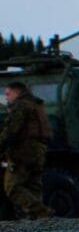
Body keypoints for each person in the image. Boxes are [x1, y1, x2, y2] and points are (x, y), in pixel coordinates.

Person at [0, 80, 53, 221]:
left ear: (17, 93)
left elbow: (10, 131)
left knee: (12, 187)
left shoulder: (21, 106)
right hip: (38, 151)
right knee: (33, 185)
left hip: (23, 151)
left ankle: (41, 212)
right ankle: (36, 219)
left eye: (8, 94)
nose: (6, 98)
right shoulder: (36, 105)